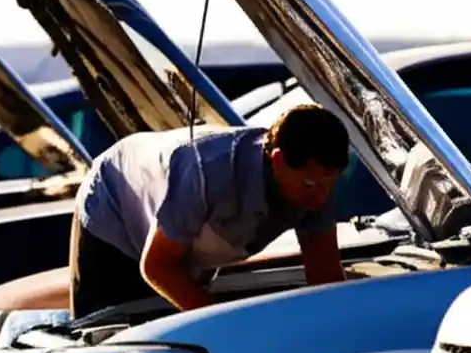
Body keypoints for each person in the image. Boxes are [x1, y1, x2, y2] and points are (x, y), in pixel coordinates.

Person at [69, 103, 350, 317]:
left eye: (331, 184)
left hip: (182, 243)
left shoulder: (315, 186)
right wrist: (228, 327)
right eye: (311, 185)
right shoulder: (207, 173)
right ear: (277, 161)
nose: (320, 199)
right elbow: (157, 265)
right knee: (107, 339)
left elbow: (324, 275)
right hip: (114, 207)